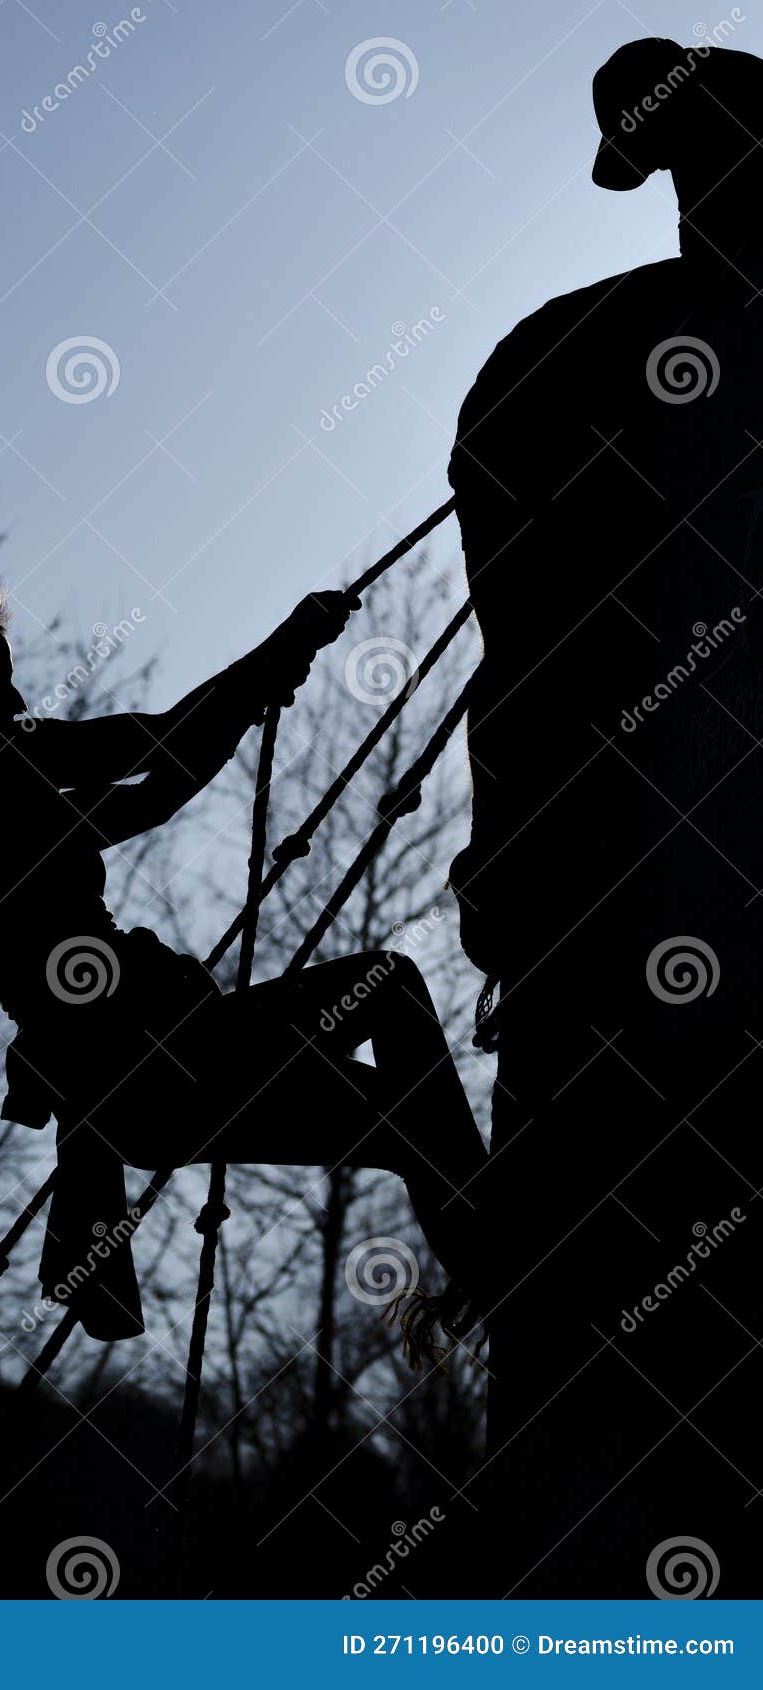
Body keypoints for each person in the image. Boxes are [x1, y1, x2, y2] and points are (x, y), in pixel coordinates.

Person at [0, 593, 486, 1351]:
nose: (18, 695)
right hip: (160, 1067)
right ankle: (503, 1266)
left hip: (152, 1072)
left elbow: (162, 771)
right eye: (1, 676)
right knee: (401, 1061)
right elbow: (165, 755)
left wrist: (264, 676)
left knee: (398, 1048)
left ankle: (495, 1264)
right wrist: (279, 652)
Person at [448, 39, 763, 1593]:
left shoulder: (551, 359)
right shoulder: (586, 361)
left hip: (581, 965)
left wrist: (511, 876)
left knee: (580, 1409)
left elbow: (519, 663)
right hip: (648, 954)